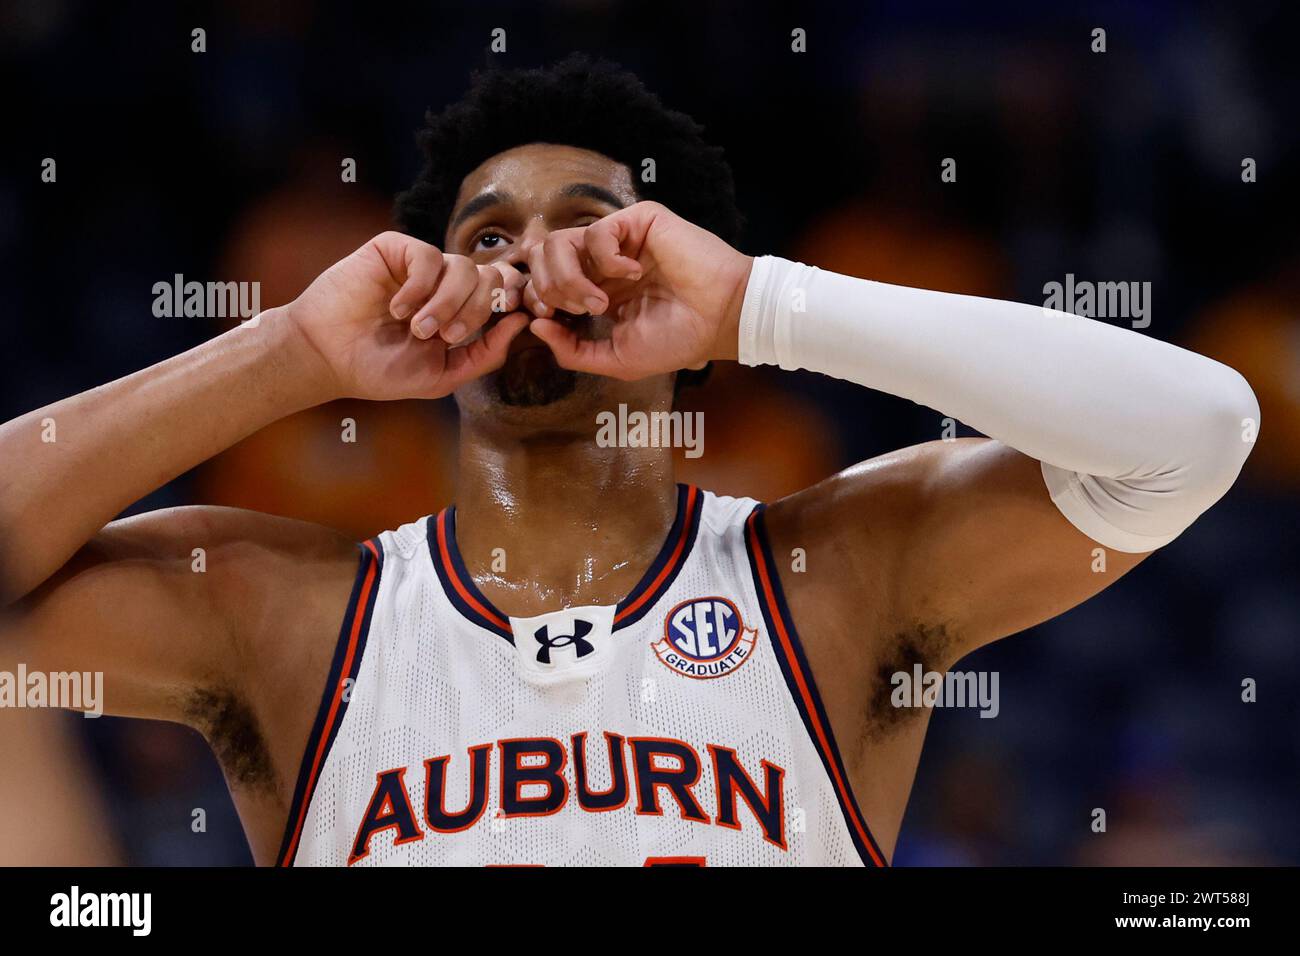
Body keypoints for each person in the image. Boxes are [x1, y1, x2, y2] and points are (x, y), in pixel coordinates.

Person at [0, 57, 1258, 866]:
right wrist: (290, 352)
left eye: (591, 229)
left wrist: (763, 305)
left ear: (677, 302)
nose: (533, 261)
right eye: (486, 236)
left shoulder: (835, 576)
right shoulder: (286, 608)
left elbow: (1196, 433)